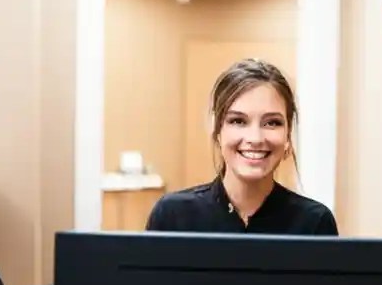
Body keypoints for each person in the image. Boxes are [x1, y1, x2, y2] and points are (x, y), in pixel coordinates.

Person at [145, 58, 338, 235]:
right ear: (217, 131)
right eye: (238, 121)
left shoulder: (315, 223)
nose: (255, 138)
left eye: (271, 123)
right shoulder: (172, 217)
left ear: (288, 135)